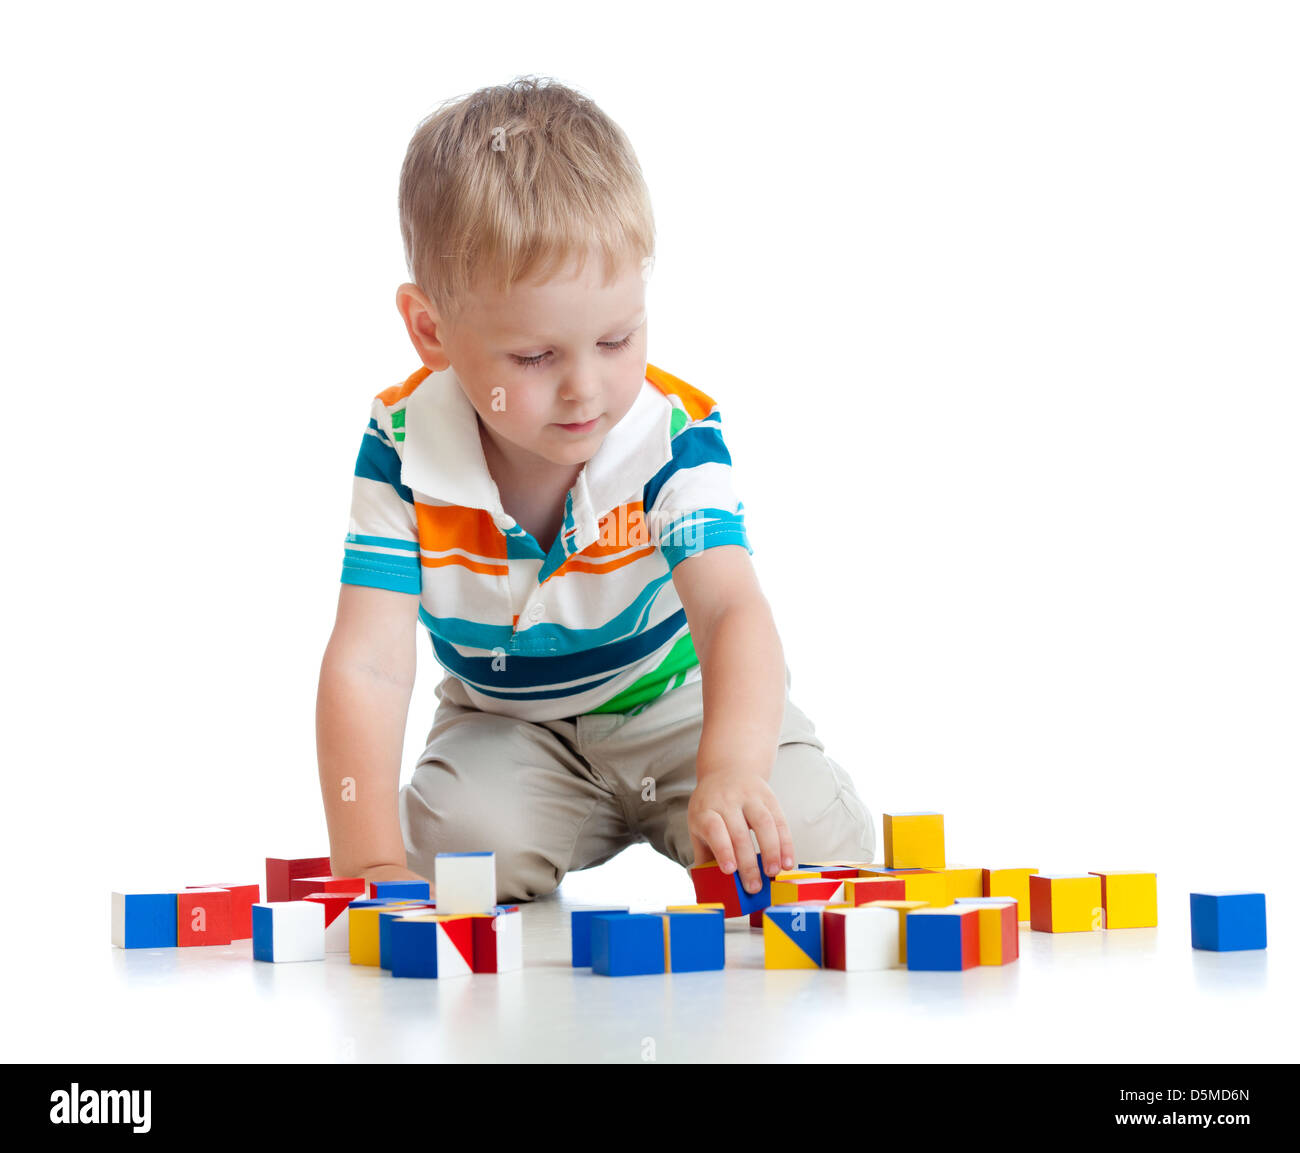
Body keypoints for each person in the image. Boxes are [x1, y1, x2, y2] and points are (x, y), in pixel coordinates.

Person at [316, 76, 874, 903]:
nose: (586, 388)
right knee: (456, 859)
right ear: (431, 331)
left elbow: (730, 611)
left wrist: (730, 767)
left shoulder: (671, 436)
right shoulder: (403, 448)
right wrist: (368, 865)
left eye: (616, 339)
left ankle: (756, 793)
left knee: (804, 854)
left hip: (683, 710)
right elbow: (367, 663)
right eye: (535, 358)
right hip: (511, 728)